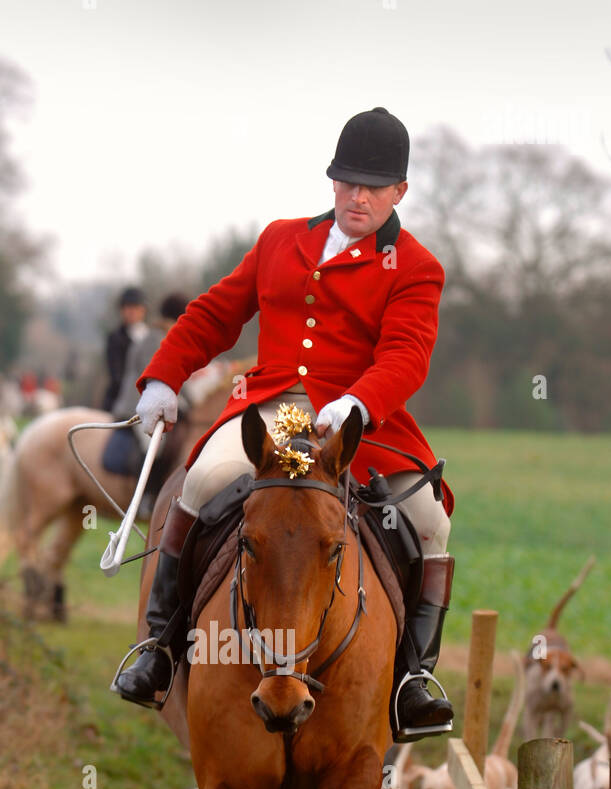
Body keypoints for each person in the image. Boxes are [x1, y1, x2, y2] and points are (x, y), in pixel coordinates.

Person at [113, 108, 456, 743]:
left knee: (430, 519)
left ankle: (413, 680)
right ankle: (159, 647)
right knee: (202, 480)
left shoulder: (415, 266)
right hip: (271, 405)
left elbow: (407, 354)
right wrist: (164, 376)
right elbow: (216, 313)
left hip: (359, 421)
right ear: (333, 181)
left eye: (374, 187)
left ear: (400, 192)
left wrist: (359, 403)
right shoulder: (279, 240)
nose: (358, 197)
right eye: (348, 182)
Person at [102, 293, 189, 503]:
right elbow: (158, 378)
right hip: (136, 404)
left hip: (149, 400)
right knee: (154, 444)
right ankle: (145, 497)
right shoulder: (155, 339)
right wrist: (184, 404)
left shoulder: (161, 335)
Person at [101, 287, 148, 413]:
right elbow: (116, 374)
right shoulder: (115, 338)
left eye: (135, 307)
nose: (132, 312)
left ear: (143, 310)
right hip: (121, 398)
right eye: (128, 307)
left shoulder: (150, 336)